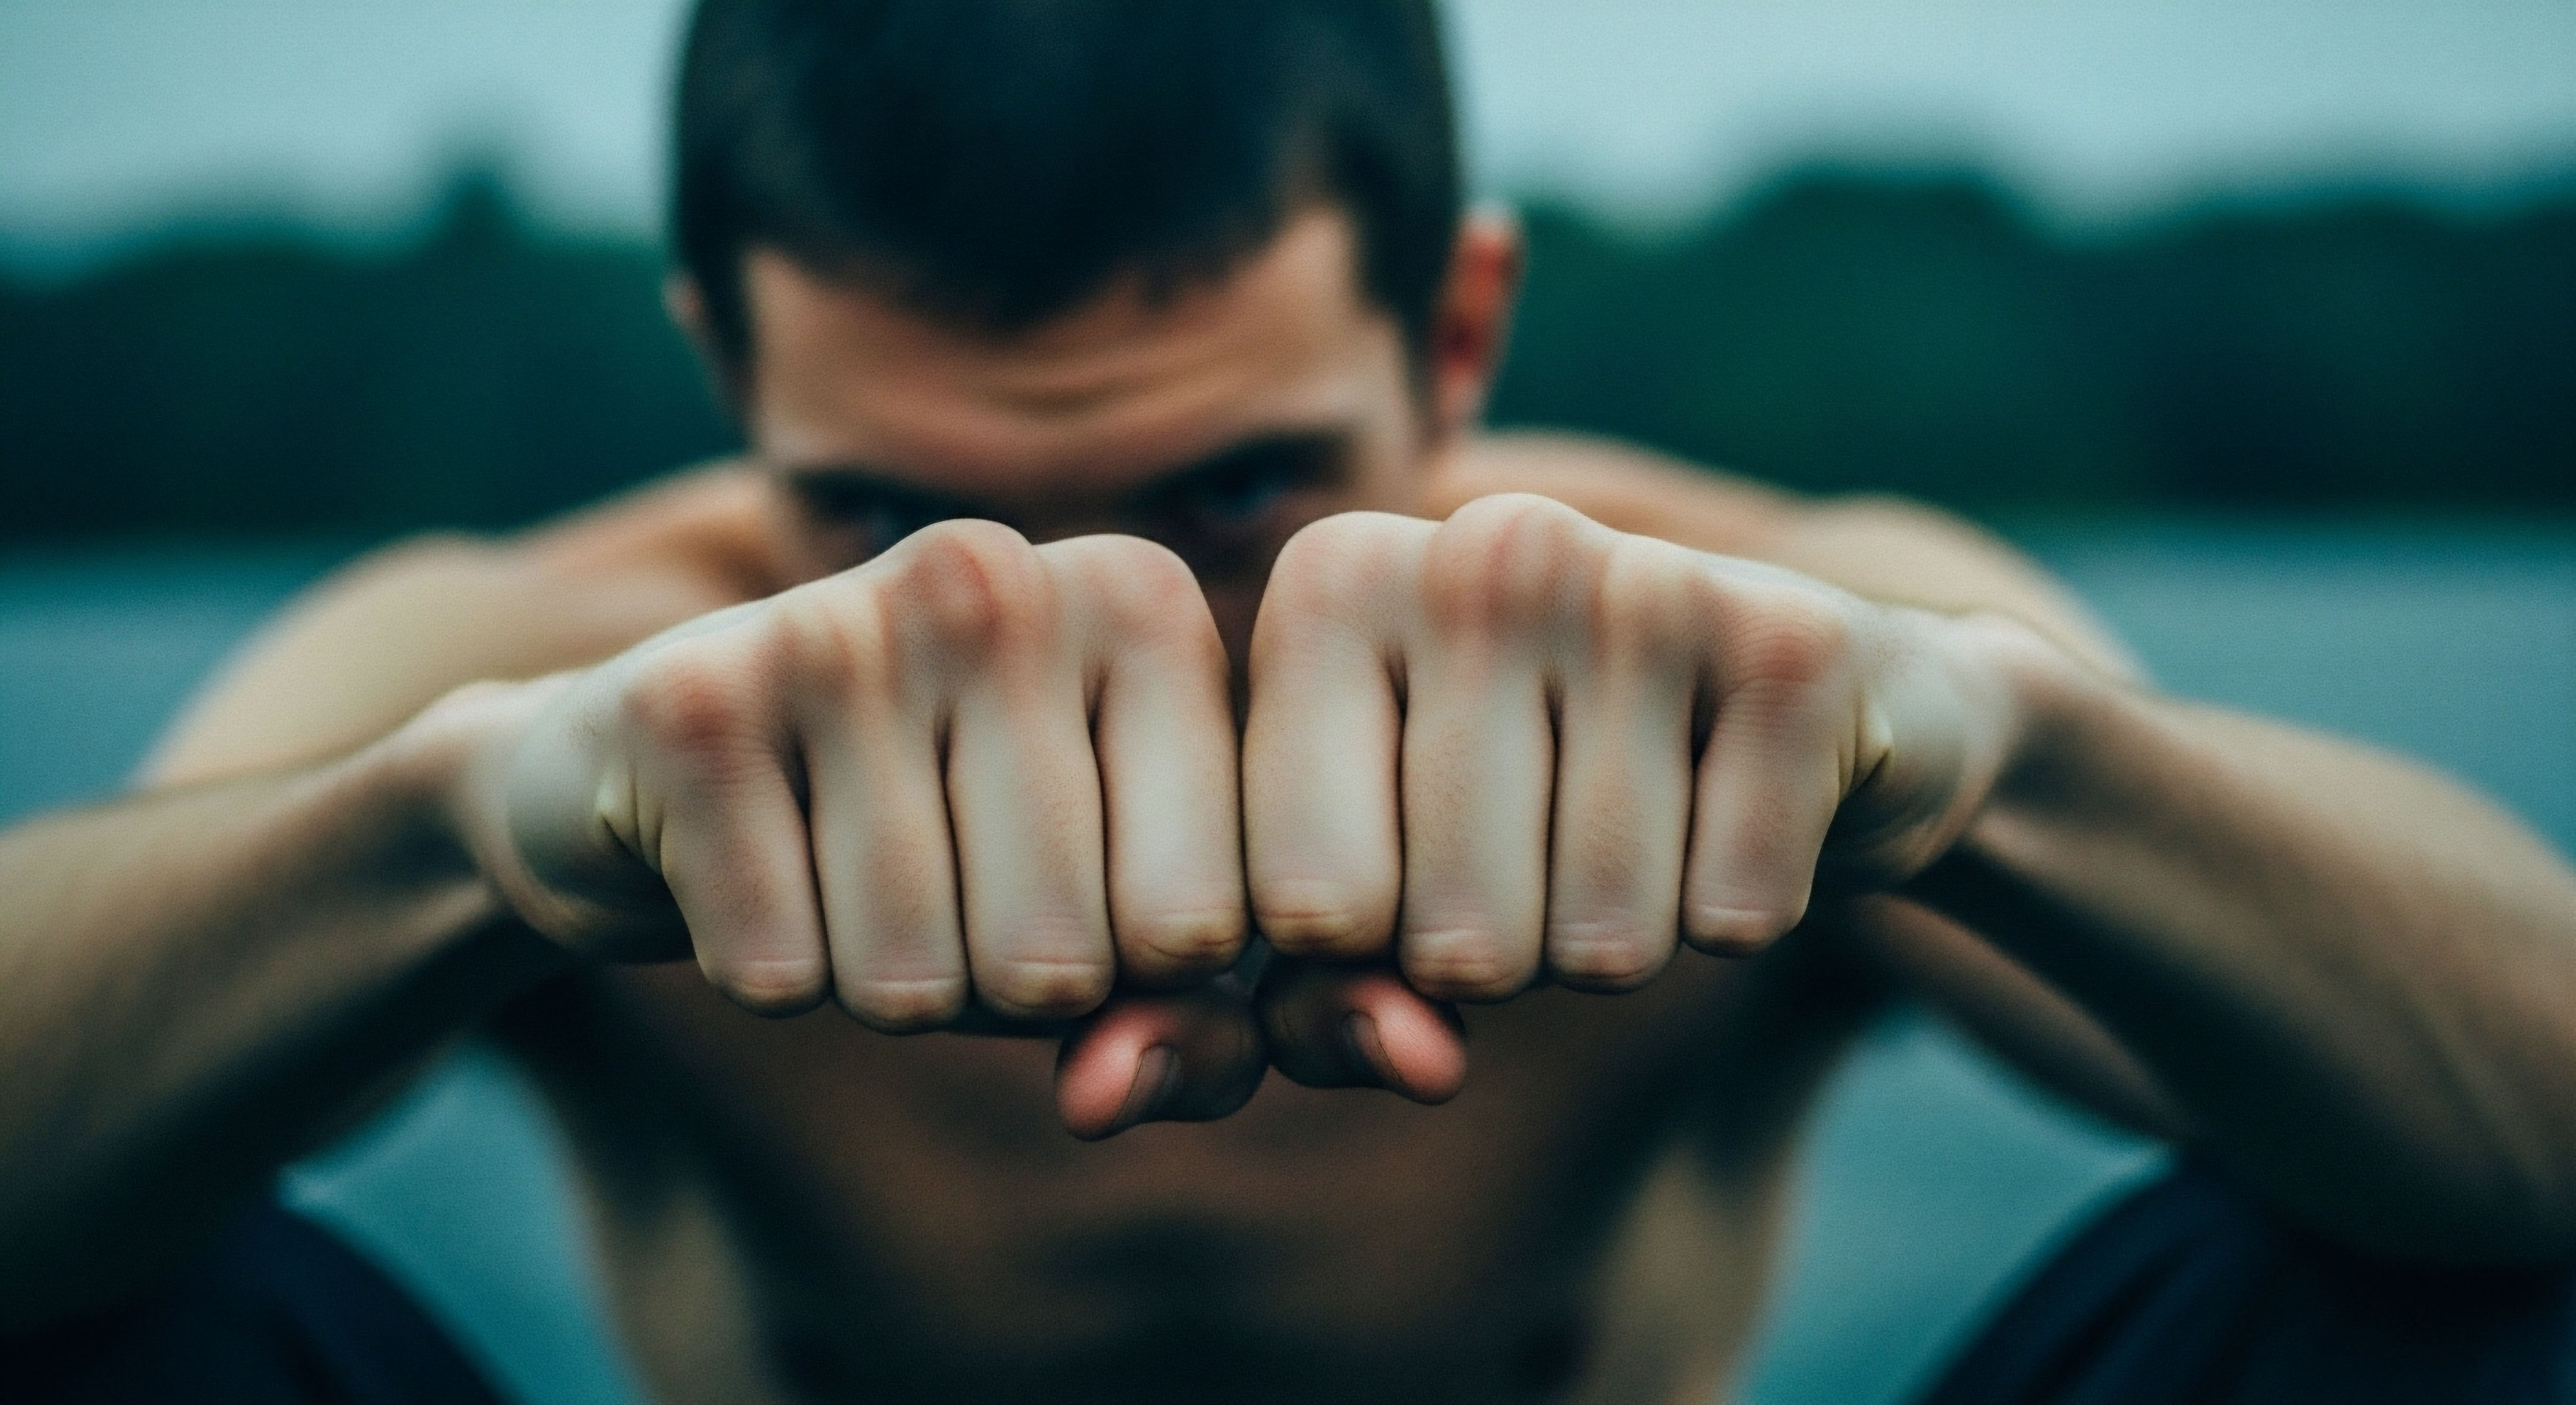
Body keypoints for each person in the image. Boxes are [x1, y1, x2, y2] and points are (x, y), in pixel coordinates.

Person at [7, 2, 2576, 1401]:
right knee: (124, 1288)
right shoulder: (554, 686)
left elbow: (2536, 1138)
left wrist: (2007, 777)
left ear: (1453, 333)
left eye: (1233, 492)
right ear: (721, 369)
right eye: (898, 519)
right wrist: (457, 849)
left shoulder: (1769, 648)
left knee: (2390, 1234)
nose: (1079, 628)